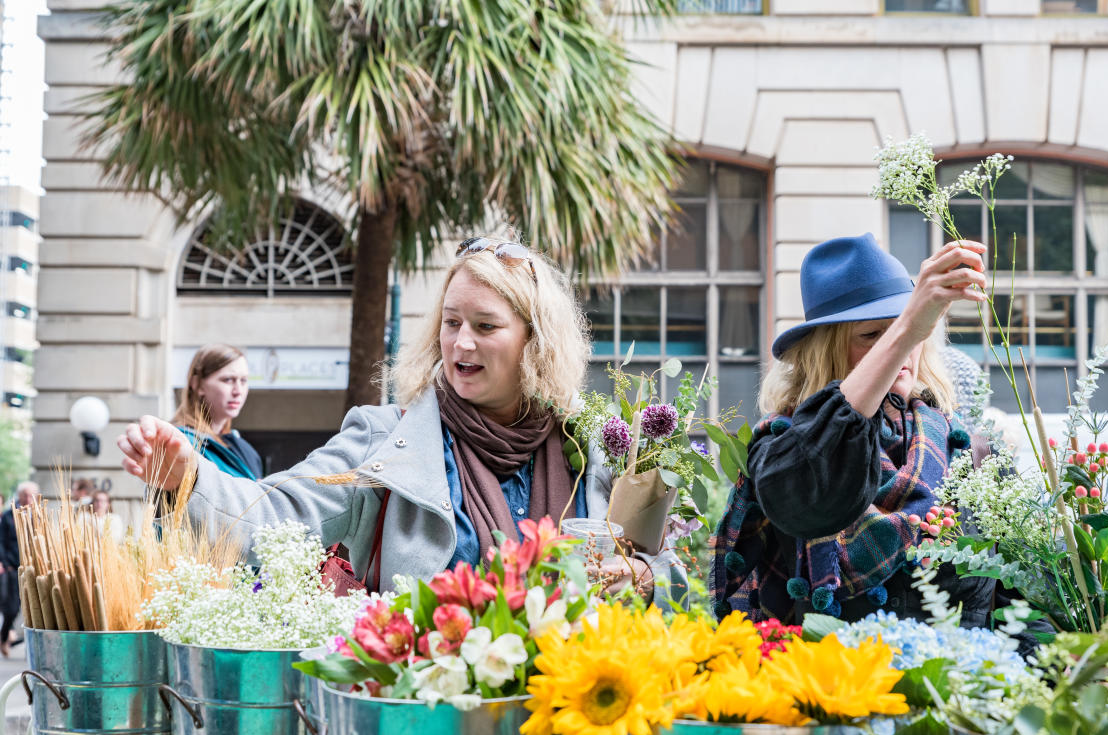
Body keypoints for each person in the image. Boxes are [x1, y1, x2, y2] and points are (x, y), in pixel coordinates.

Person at [118, 238, 684, 603]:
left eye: (486, 327)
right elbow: (276, 517)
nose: (460, 342)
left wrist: (644, 580)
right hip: (427, 728)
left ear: (535, 343)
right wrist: (187, 478)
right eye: (451, 321)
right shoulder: (383, 436)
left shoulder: (597, 450)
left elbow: (673, 573)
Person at [712, 233, 1002, 628]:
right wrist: (905, 328)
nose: (900, 350)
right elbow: (806, 487)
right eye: (871, 336)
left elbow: (1022, 604)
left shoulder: (971, 453)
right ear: (825, 351)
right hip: (834, 684)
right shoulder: (782, 445)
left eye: (907, 333)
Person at [173, 344, 262, 480]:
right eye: (228, 380)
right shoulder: (180, 442)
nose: (238, 391)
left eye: (243, 381)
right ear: (197, 384)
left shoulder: (245, 449)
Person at [0, 481, 38, 655]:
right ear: (20, 495)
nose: (28, 499)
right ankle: (3, 637)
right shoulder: (8, 516)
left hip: (34, 568)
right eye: (25, 495)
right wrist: (5, 563)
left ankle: (32, 647)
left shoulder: (38, 514)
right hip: (14, 566)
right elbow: (2, 542)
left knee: (34, 608)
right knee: (12, 608)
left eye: (31, 495)